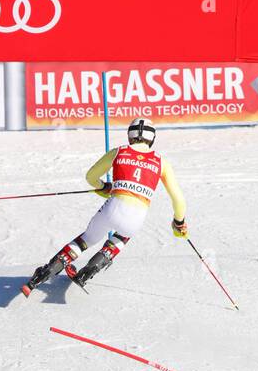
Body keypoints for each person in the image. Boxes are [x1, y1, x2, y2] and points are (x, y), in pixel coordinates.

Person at [22, 119, 187, 296]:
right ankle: (88, 272)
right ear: (152, 138)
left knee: (86, 240)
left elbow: (91, 176)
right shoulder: (161, 162)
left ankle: (44, 273)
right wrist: (179, 222)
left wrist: (103, 187)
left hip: (113, 207)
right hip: (137, 216)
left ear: (130, 136)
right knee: (122, 237)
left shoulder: (119, 152)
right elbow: (179, 199)